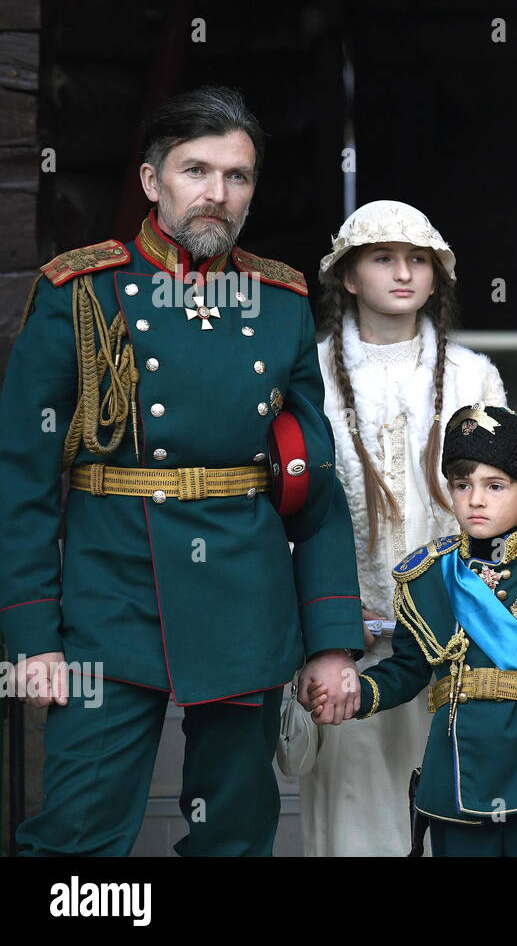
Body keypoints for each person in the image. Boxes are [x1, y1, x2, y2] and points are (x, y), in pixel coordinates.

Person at [0, 85, 362, 855]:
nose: (216, 194)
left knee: (233, 836)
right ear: (150, 180)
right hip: (110, 596)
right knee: (75, 834)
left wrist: (331, 635)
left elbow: (314, 480)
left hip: (246, 595)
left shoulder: (283, 300)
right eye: (196, 170)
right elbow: (20, 479)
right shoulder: (80, 292)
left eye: (237, 177)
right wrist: (31, 636)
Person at [298, 200, 507, 856]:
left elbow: (504, 509)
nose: (403, 272)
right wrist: (321, 628)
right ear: (349, 277)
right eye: (383, 258)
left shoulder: (472, 374)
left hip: (455, 632)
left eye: (418, 259)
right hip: (347, 639)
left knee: (457, 803)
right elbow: (289, 506)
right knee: (354, 812)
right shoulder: (311, 374)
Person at [308, 405, 517, 856]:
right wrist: (354, 694)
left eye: (494, 486)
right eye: (462, 485)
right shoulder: (427, 577)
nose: (475, 499)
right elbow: (407, 669)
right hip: (454, 785)